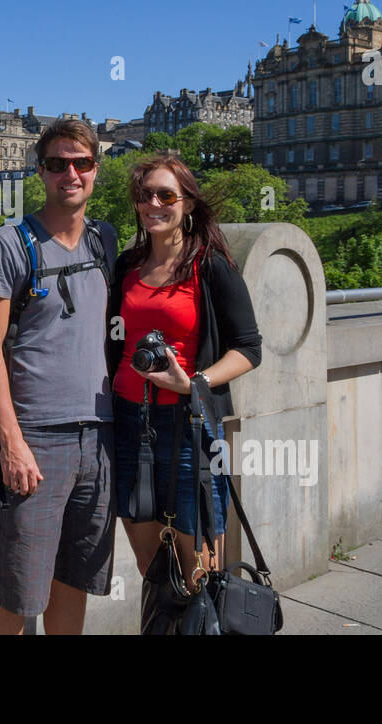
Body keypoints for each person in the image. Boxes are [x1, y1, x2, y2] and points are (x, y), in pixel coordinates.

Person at [0, 119, 118, 634]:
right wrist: (11, 441)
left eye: (81, 163)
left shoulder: (106, 241)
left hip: (100, 438)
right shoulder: (9, 244)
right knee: (18, 592)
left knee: (74, 582)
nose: (70, 173)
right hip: (36, 438)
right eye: (58, 164)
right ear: (40, 172)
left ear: (96, 170)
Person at [105, 153, 262, 590]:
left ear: (187, 203)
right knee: (153, 569)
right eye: (144, 194)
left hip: (189, 424)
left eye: (166, 194)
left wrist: (194, 382)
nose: (154, 202)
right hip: (129, 422)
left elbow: (249, 348)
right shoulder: (127, 266)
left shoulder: (210, 264)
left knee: (199, 571)